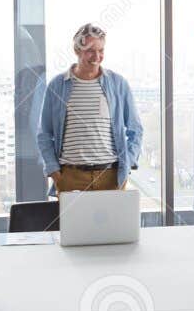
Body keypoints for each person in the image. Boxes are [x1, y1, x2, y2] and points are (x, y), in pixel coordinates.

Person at [34, 22, 144, 193]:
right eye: (90, 51)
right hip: (70, 177)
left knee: (114, 221)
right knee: (73, 221)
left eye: (101, 50)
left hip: (111, 176)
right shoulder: (57, 86)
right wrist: (54, 172)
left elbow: (135, 129)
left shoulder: (118, 84)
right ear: (77, 51)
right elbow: (44, 134)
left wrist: (127, 163)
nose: (97, 56)